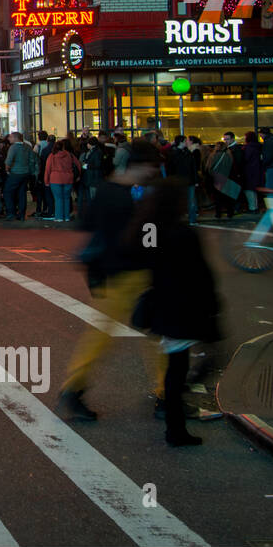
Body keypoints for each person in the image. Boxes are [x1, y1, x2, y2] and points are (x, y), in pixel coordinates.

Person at [56, 141, 167, 423]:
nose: (154, 173)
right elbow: (150, 238)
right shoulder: (142, 197)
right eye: (153, 167)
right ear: (141, 166)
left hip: (107, 275)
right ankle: (166, 393)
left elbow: (88, 226)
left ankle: (73, 388)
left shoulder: (106, 190)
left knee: (99, 337)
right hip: (138, 274)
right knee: (156, 336)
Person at [128, 180, 223, 446]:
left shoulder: (151, 229)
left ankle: (175, 424)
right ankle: (175, 426)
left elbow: (143, 257)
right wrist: (213, 307)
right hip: (186, 307)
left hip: (164, 305)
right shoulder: (183, 233)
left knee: (177, 366)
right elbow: (202, 275)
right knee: (182, 369)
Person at [44, 137, 81, 222]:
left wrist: (46, 181)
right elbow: (78, 165)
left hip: (55, 179)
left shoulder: (52, 156)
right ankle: (66, 217)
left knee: (58, 198)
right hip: (68, 179)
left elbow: (48, 169)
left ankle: (59, 217)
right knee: (67, 198)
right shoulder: (69, 155)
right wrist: (78, 175)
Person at [3, 132, 34, 222]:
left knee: (7, 192)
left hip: (15, 173)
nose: (9, 139)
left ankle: (11, 213)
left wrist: (7, 170)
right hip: (26, 172)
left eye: (11, 137)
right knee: (22, 193)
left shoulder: (13, 148)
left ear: (16, 138)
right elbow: (31, 159)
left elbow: (8, 161)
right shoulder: (27, 147)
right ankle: (21, 214)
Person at [242, 130, 263, 212]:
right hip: (257, 170)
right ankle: (255, 207)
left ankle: (253, 208)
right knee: (254, 189)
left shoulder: (248, 148)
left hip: (249, 171)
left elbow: (246, 159)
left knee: (249, 190)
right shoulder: (259, 146)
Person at [259, 127, 273, 192]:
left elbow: (268, 156)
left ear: (263, 134)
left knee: (270, 188)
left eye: (260, 135)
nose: (260, 136)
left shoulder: (269, 141)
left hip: (272, 167)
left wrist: (263, 164)